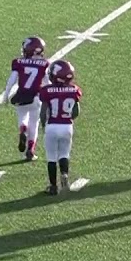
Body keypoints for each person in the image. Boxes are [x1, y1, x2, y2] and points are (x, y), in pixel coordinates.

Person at [39, 60, 82, 195]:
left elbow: (43, 112)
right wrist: (68, 118)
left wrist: (43, 125)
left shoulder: (47, 90)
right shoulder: (74, 90)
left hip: (52, 125)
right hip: (67, 126)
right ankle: (64, 174)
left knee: (51, 157)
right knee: (64, 154)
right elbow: (76, 112)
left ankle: (53, 186)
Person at [4, 36, 49, 161]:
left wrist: (6, 95)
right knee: (34, 123)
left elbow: (12, 80)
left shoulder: (19, 62)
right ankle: (30, 150)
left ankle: (23, 128)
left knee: (22, 117)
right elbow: (47, 82)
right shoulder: (44, 64)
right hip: (36, 96)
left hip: (21, 95)